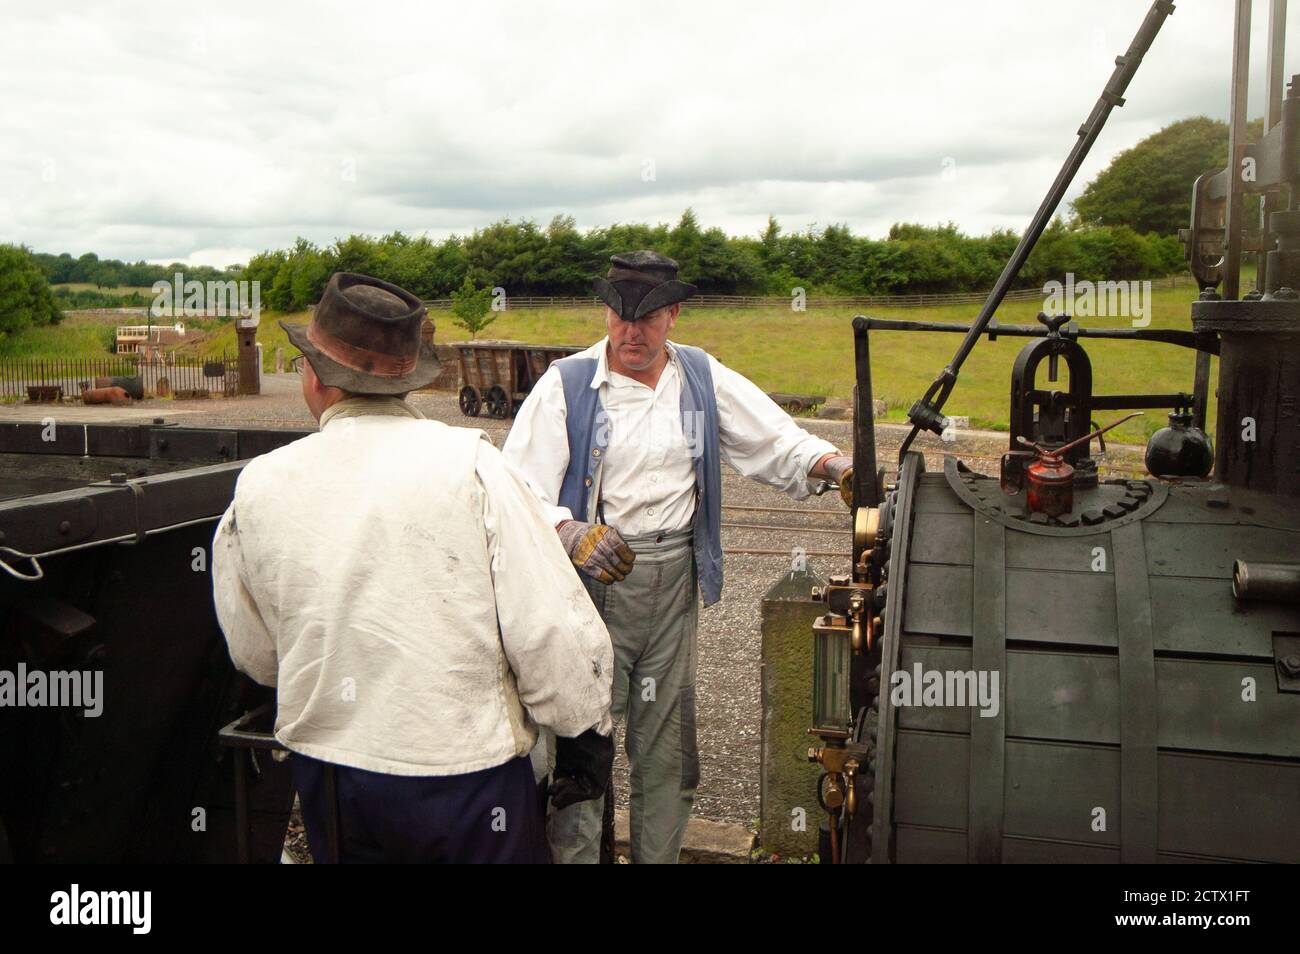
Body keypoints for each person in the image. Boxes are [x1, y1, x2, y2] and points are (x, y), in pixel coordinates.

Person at [212, 271, 613, 864]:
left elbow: (257, 655)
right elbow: (549, 629)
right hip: (465, 782)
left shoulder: (259, 485)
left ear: (316, 376)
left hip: (332, 781)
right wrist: (584, 733)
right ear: (407, 379)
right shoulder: (474, 467)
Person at [503, 251, 854, 863]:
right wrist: (568, 530)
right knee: (581, 749)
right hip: (591, 588)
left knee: (666, 751)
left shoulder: (698, 376)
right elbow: (517, 488)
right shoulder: (567, 384)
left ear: (673, 315)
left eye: (646, 318)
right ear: (605, 312)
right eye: (619, 315)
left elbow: (773, 439)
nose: (630, 332)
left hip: (675, 586)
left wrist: (832, 466)